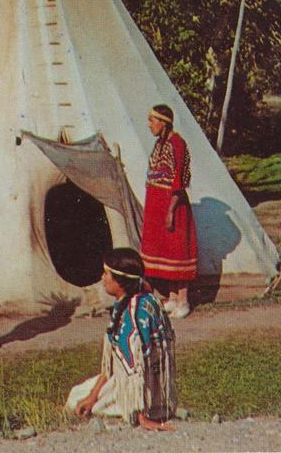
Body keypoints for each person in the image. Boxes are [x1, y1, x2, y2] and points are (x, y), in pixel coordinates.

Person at [66, 248, 176, 430]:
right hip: (150, 385)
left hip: (146, 392)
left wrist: (141, 417)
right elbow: (114, 364)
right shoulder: (137, 300)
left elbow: (137, 367)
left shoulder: (134, 315)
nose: (102, 278)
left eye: (106, 273)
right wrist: (92, 396)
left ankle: (141, 410)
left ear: (119, 281)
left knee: (79, 401)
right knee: (79, 394)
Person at [140, 104, 197, 318]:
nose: (149, 125)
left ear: (163, 123)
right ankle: (172, 298)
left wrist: (171, 210)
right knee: (166, 251)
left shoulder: (177, 144)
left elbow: (178, 178)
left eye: (152, 120)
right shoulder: (160, 144)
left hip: (173, 205)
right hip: (157, 205)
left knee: (177, 250)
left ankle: (183, 300)